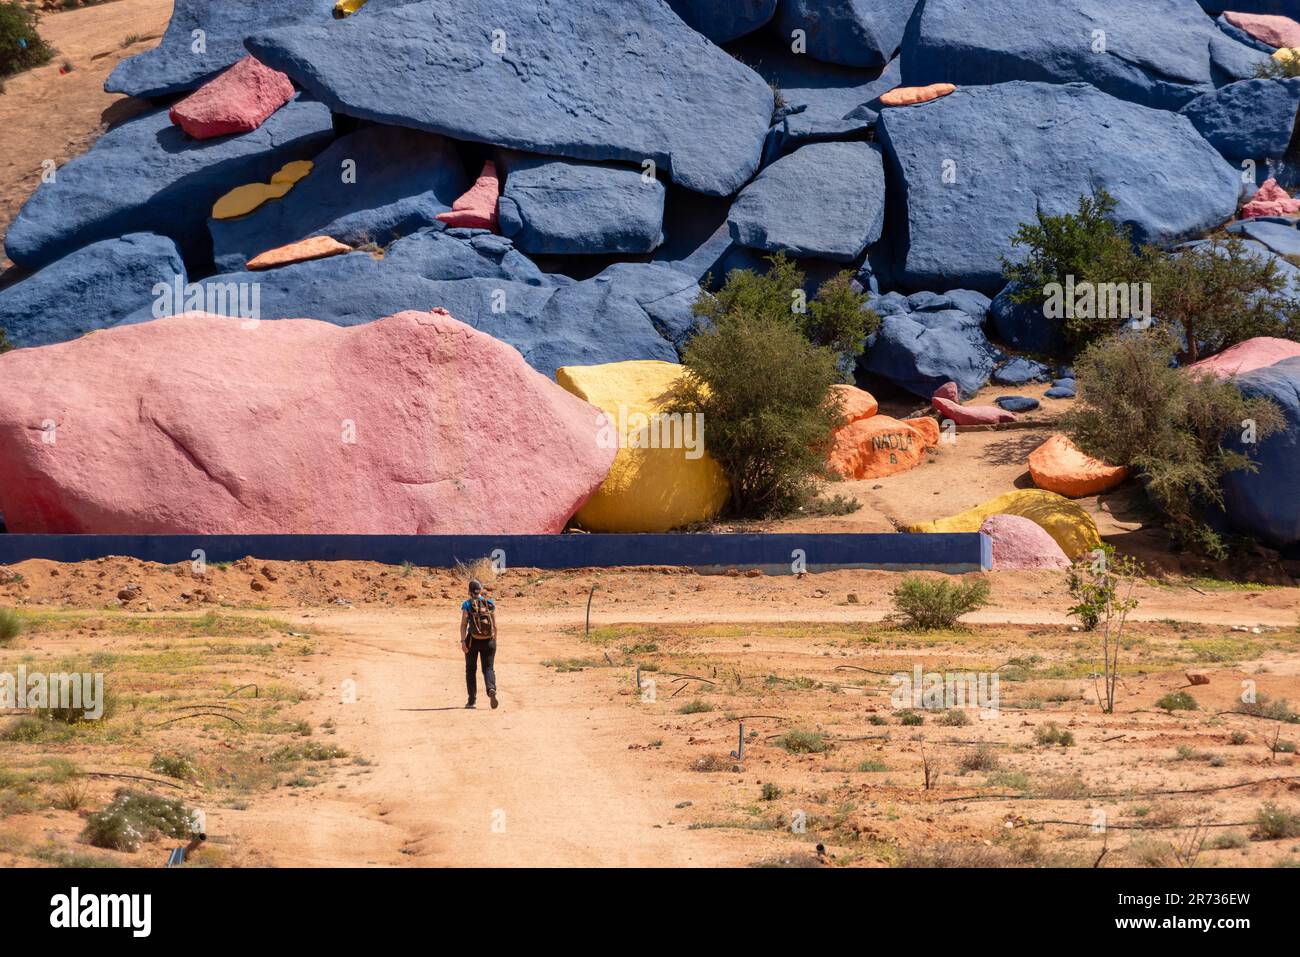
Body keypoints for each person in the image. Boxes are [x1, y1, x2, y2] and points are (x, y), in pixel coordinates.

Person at [460, 579, 498, 709]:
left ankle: (472, 700)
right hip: (489, 640)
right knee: (488, 668)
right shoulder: (489, 603)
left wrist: (463, 641)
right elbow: (495, 625)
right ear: (480, 590)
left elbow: (464, 624)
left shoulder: (466, 604)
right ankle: (491, 689)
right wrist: (494, 641)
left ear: (469, 591)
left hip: (473, 640)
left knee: (471, 670)